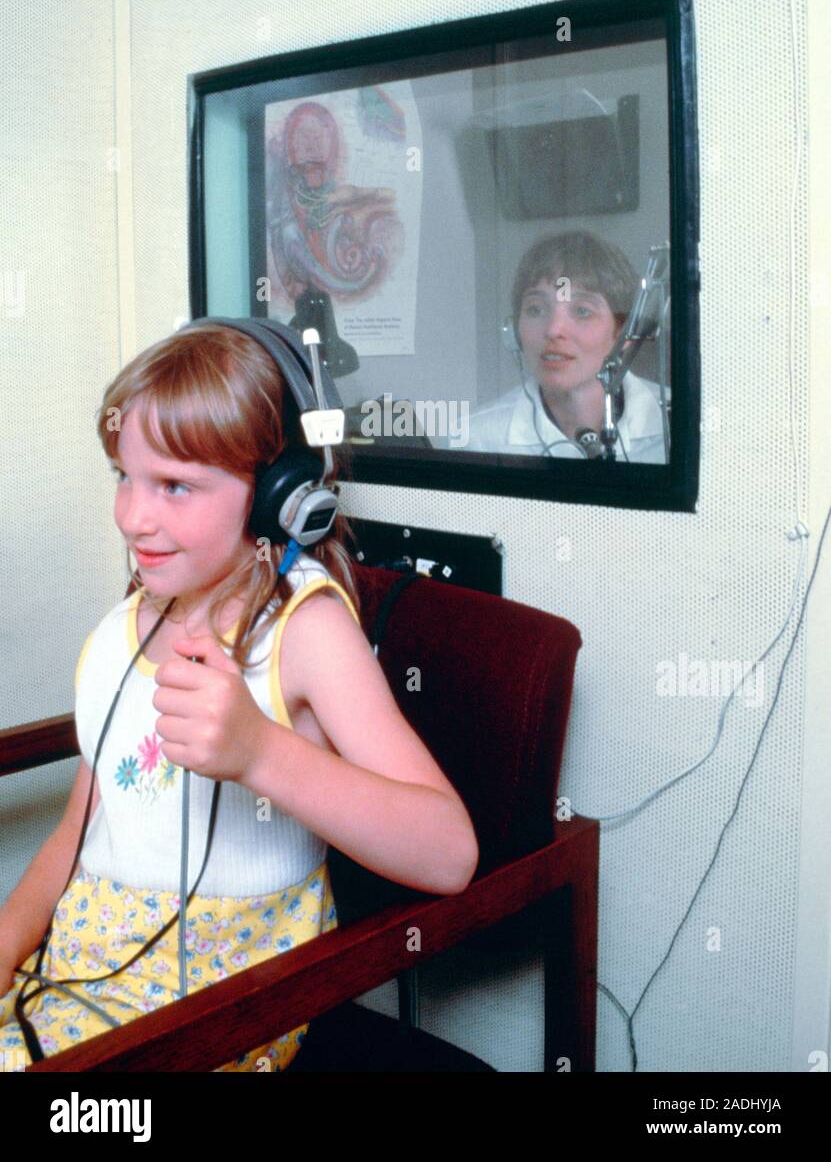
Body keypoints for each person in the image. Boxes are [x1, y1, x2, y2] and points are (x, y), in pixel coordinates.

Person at [0, 322, 479, 1072]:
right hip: (77, 978)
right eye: (125, 477)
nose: (133, 517)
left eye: (175, 487)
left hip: (220, 1007)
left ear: (278, 500)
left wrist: (261, 752)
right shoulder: (123, 628)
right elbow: (78, 832)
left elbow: (448, 855)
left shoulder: (307, 632)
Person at [450, 230, 669, 463]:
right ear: (515, 330)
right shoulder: (477, 439)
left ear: (625, 333)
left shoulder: (677, 430)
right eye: (536, 309)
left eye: (582, 311)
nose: (554, 329)